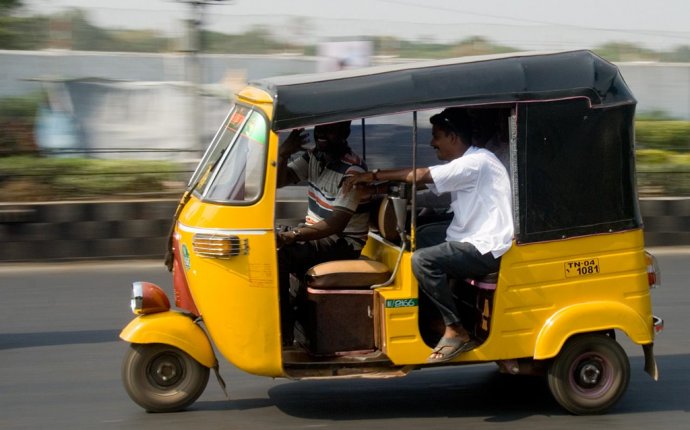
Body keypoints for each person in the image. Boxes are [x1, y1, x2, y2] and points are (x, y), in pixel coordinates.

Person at [344, 108, 513, 363]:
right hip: (466, 234)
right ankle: (431, 316)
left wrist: (374, 175)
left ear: (453, 138)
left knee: (422, 260)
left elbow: (421, 175)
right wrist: (379, 192)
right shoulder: (468, 164)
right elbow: (436, 194)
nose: (432, 142)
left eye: (436, 136)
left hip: (485, 246)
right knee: (419, 237)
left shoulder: (476, 162)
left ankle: (456, 329)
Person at [276, 121, 370, 346]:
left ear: (345, 133)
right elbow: (280, 181)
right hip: (318, 235)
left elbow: (336, 224)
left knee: (279, 257)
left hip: (344, 243)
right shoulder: (314, 157)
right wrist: (282, 155)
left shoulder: (353, 170)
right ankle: (294, 313)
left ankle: (284, 333)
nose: (322, 135)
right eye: (320, 130)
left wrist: (294, 235)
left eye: (331, 130)